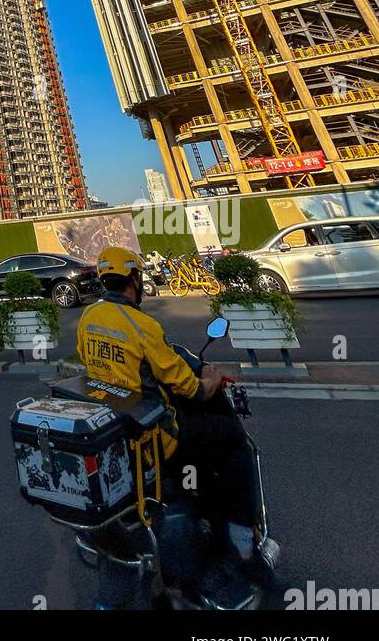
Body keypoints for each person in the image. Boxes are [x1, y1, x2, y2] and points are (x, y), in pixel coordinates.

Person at [77, 246, 273, 598]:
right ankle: (243, 542)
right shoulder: (143, 325)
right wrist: (212, 379)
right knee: (232, 440)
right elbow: (189, 387)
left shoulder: (89, 317)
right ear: (135, 278)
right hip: (155, 432)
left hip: (117, 422)